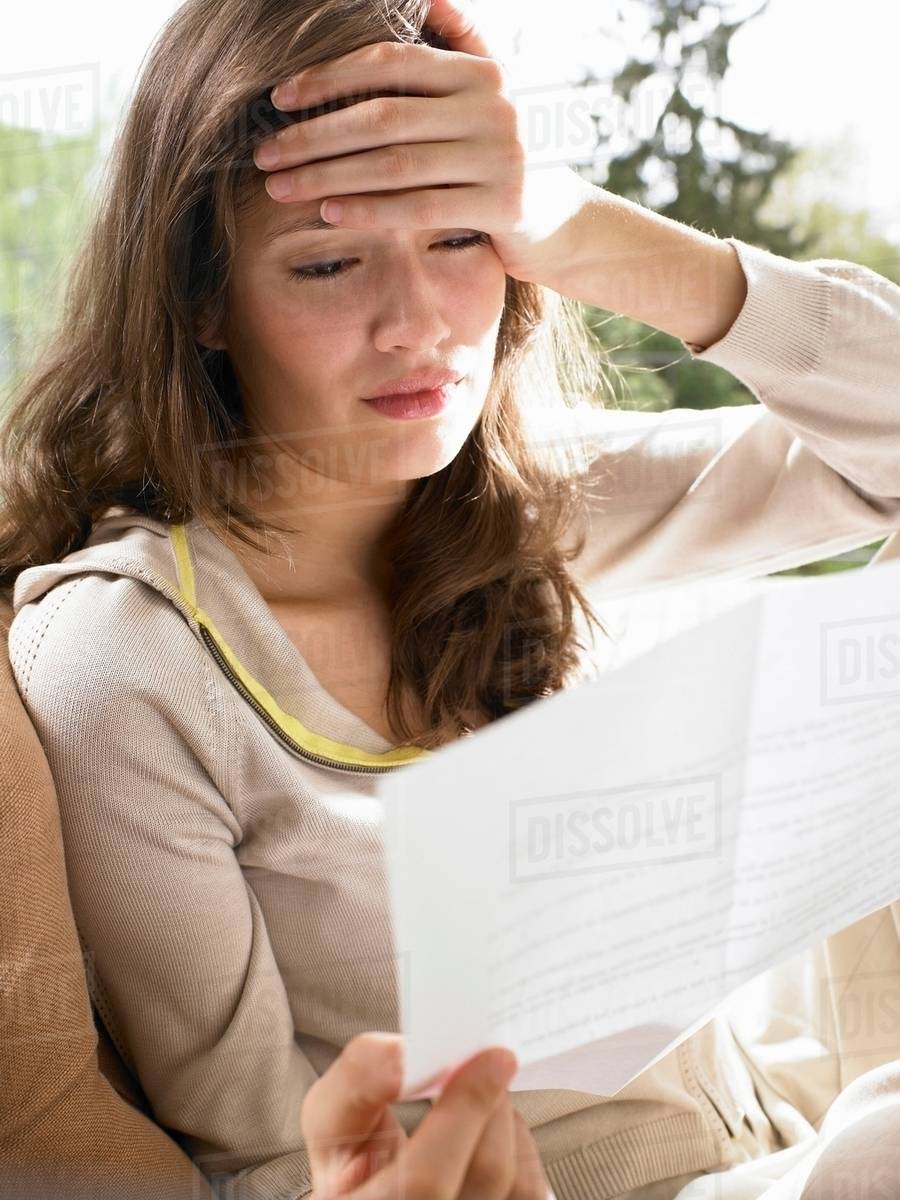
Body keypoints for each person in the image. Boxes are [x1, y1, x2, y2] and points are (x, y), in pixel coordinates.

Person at [2, 0, 900, 1197]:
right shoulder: (127, 663)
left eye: (462, 242)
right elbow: (260, 1152)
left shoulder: (532, 504)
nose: (417, 329)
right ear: (203, 306)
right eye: (327, 264)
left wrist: (574, 222)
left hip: (790, 1112)